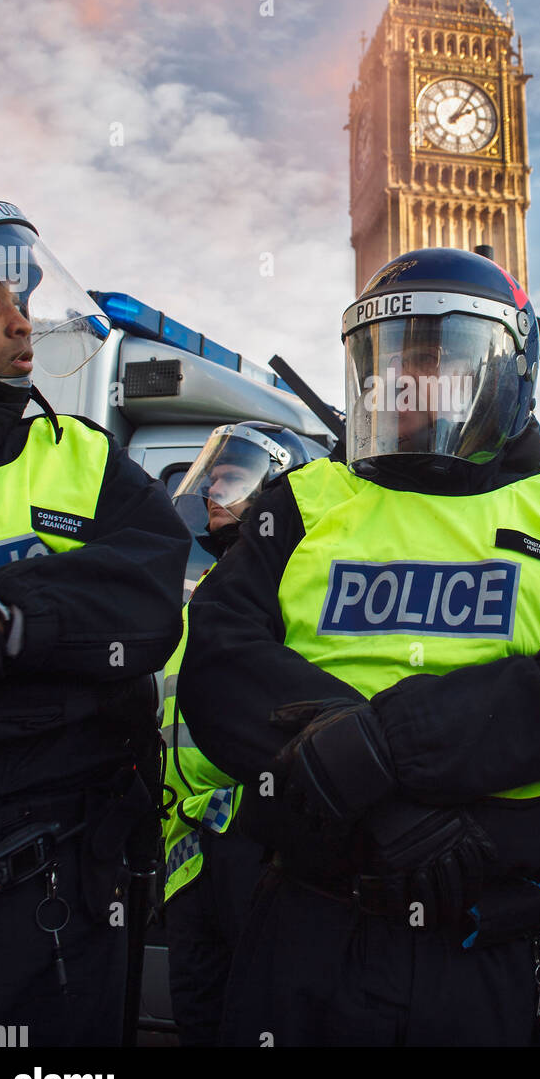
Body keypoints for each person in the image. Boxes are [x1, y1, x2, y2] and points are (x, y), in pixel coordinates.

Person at [178, 247, 540, 1047]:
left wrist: (376, 747)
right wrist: (389, 810)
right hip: (307, 924)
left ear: (507, 373)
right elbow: (222, 668)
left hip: (491, 937)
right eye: (397, 358)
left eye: (441, 358)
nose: (412, 379)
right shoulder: (303, 501)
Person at [0, 196, 190, 1047]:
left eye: (23, 301)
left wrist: (3, 622)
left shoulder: (84, 458)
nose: (23, 325)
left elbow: (145, 604)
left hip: (57, 870)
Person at [162, 422, 311, 1046]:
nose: (215, 490)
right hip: (189, 854)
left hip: (259, 847)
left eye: (232, 477)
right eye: (214, 476)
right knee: (201, 1021)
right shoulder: (208, 591)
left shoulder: (296, 582)